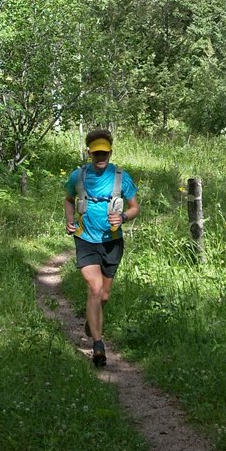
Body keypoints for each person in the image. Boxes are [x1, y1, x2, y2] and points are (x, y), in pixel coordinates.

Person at [64, 129, 139, 367]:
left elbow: (135, 207)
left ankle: (91, 321)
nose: (100, 157)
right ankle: (98, 344)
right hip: (85, 238)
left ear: (110, 152)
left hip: (112, 241)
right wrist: (69, 220)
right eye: (96, 153)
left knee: (104, 295)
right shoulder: (78, 176)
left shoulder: (120, 177)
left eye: (104, 153)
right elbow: (68, 198)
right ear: (89, 153)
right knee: (95, 289)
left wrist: (124, 218)